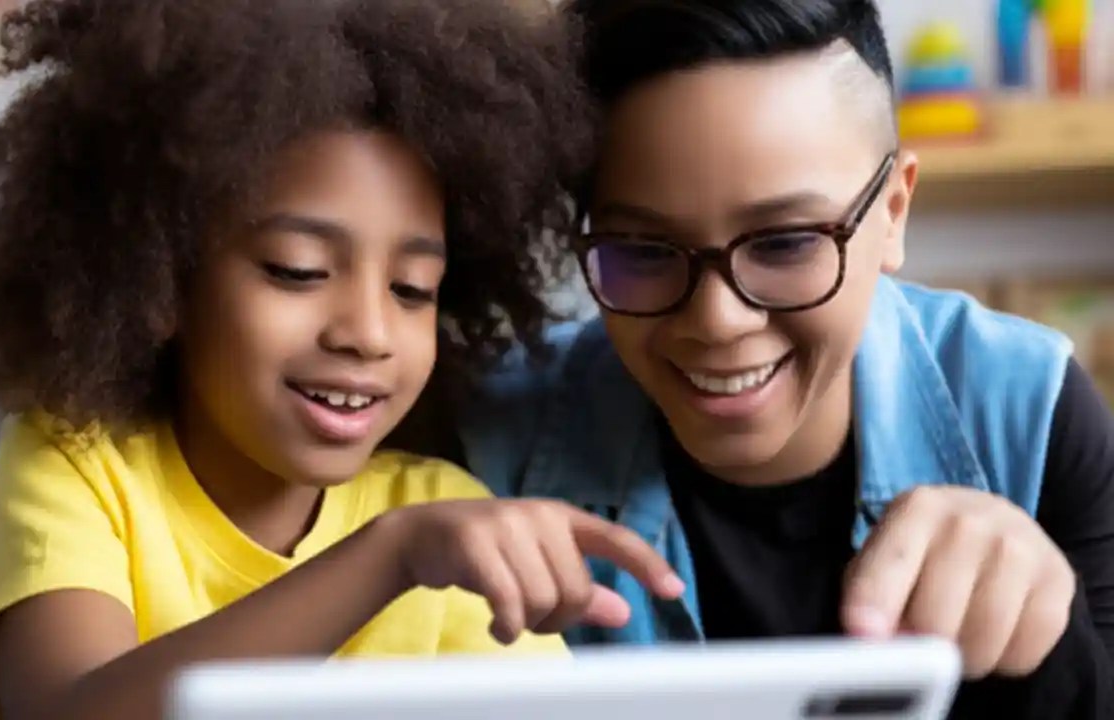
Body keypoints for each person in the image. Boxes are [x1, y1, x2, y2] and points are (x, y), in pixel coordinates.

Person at [0, 1, 685, 719]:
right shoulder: (83, 461)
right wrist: (385, 559)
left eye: (414, 289)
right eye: (297, 271)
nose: (367, 332)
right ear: (161, 281)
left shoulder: (447, 518)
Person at [456, 1, 1114, 717]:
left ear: (893, 212)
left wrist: (1053, 650)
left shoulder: (1034, 412)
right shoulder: (486, 437)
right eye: (643, 252)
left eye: (786, 243)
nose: (717, 321)